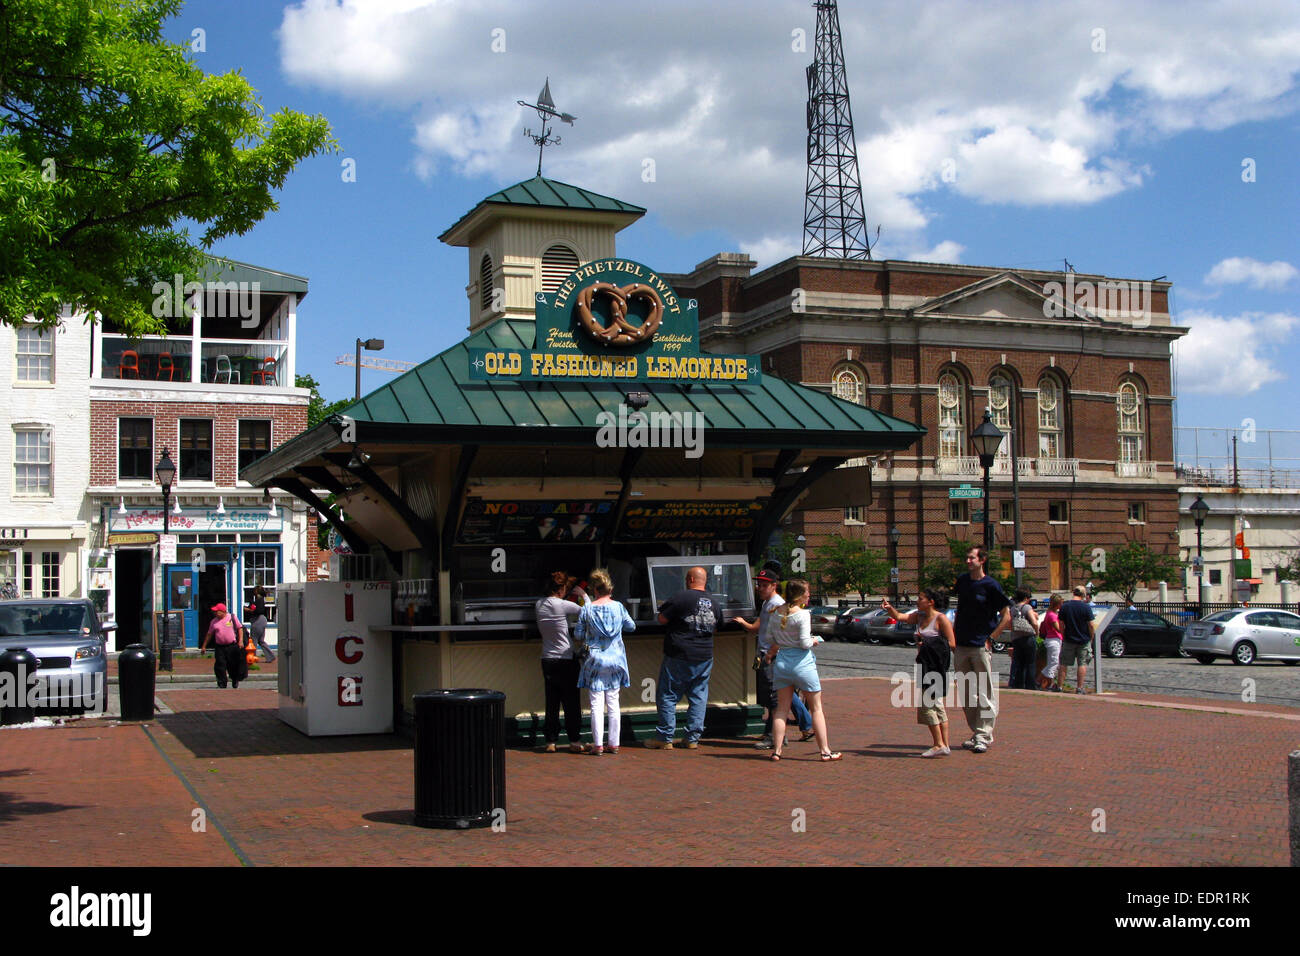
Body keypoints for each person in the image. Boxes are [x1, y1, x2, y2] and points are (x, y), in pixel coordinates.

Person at [732, 569, 813, 750]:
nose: (760, 588)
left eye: (764, 585)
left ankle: (774, 736)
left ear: (774, 586)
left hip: (771, 655)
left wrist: (769, 654)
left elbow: (779, 635)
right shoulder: (767, 604)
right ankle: (798, 727)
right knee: (781, 694)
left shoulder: (776, 605)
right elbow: (758, 628)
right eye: (759, 584)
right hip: (766, 653)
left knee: (775, 697)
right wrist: (744, 624)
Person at [764, 579, 838, 761]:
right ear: (799, 595)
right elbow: (805, 643)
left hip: (782, 664)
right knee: (816, 708)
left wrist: (785, 641)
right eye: (807, 592)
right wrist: (815, 640)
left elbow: (769, 637)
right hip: (802, 665)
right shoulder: (803, 614)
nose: (809, 595)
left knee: (781, 709)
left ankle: (777, 750)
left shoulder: (775, 613)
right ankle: (825, 751)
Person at [646, 566, 717, 750]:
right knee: (698, 696)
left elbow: (662, 619)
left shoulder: (680, 597)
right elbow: (717, 625)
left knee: (668, 694)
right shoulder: (714, 602)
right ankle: (692, 738)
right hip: (704, 655)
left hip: (679, 653)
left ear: (691, 579)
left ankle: (664, 737)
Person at [952, 546, 1011, 753]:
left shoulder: (991, 585)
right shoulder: (962, 581)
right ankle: (977, 732)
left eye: (971, 558)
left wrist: (991, 638)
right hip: (961, 644)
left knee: (985, 692)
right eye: (967, 558)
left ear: (982, 560)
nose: (968, 561)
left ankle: (984, 735)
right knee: (966, 693)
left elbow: (1006, 615)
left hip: (980, 645)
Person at [884, 588, 956, 757]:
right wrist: (890, 609)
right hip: (923, 664)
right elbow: (901, 617)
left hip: (935, 666)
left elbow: (952, 644)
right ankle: (944, 745)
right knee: (937, 705)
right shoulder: (919, 615)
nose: (917, 601)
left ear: (931, 602)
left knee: (928, 706)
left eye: (921, 598)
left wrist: (929, 643)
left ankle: (938, 744)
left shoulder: (941, 619)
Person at [576, 568, 634, 755]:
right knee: (613, 702)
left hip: (595, 661)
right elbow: (631, 626)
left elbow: (577, 634)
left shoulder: (587, 609)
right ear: (609, 588)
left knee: (596, 703)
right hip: (616, 660)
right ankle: (614, 743)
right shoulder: (618, 607)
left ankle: (598, 745)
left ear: (594, 589)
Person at [535, 571, 585, 753]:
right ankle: (574, 740)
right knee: (571, 701)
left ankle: (550, 740)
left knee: (552, 701)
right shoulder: (562, 604)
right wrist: (583, 595)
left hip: (547, 658)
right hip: (566, 658)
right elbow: (588, 612)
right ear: (562, 589)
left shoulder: (539, 604)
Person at [1058, 586, 1096, 693]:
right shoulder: (1086, 607)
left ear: (1073, 593)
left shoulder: (1065, 606)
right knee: (1082, 663)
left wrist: (1063, 634)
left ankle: (1059, 686)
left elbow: (1061, 624)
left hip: (1069, 639)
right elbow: (1091, 625)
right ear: (1083, 594)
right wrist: (1091, 637)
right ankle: (1079, 688)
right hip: (1083, 640)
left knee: (1063, 663)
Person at [199, 602, 246, 689]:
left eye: (217, 611)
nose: (215, 613)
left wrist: (241, 641)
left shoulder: (232, 618)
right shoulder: (214, 622)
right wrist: (204, 646)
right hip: (220, 647)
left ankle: (235, 679)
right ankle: (222, 682)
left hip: (232, 646)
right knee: (220, 665)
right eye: (215, 612)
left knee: (232, 665)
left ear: (223, 611)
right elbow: (209, 634)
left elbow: (240, 628)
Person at [1007, 590, 1040, 690]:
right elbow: (1034, 622)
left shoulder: (1013, 608)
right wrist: (1036, 632)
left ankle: (1018, 684)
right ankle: (1030, 685)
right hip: (1028, 637)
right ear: (1026, 598)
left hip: (1016, 638)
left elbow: (1010, 624)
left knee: (1019, 662)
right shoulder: (1027, 607)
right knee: (1030, 662)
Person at [1038, 593, 1065, 691]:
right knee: (1054, 663)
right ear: (1056, 604)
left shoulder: (1050, 613)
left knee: (1052, 662)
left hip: (1053, 640)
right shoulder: (1052, 615)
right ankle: (1039, 680)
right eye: (1061, 603)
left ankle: (1050, 683)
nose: (1062, 605)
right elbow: (1058, 629)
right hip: (1053, 640)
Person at [247, 586, 275, 662]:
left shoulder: (259, 600)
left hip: (258, 620)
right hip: (262, 620)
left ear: (257, 592)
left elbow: (258, 610)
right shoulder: (259, 600)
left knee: (254, 640)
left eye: (255, 590)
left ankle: (252, 658)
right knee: (261, 640)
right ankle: (270, 656)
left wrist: (249, 610)